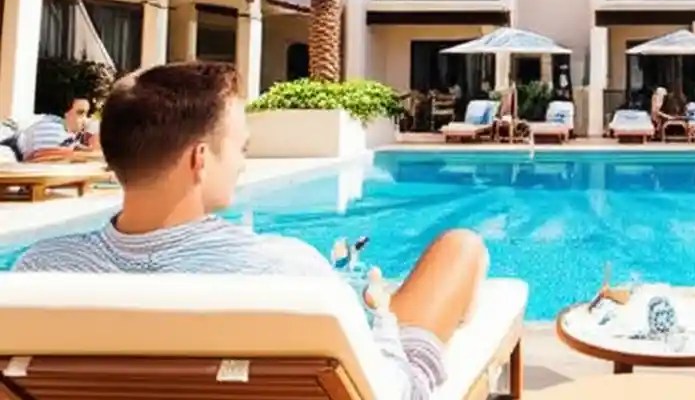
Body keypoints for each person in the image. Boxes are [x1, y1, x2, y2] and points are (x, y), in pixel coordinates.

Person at [12, 62, 487, 400]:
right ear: (200, 159)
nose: (243, 163)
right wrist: (383, 318)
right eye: (240, 147)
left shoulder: (38, 273)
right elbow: (393, 393)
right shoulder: (286, 272)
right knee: (460, 249)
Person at [13, 93, 99, 162]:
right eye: (80, 113)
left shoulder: (63, 133)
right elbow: (44, 159)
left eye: (86, 114)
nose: (85, 120)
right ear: (65, 112)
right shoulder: (50, 128)